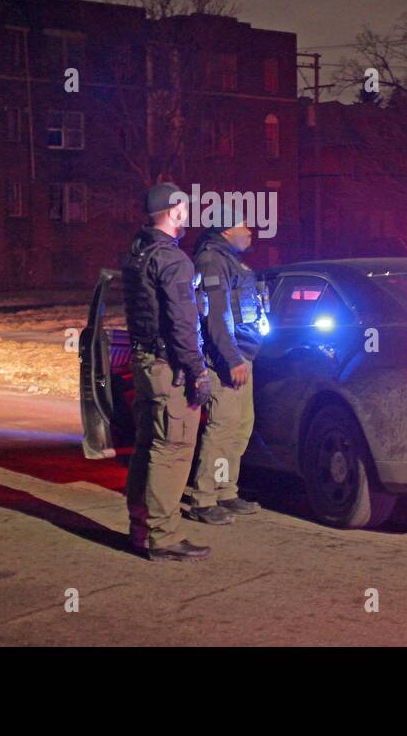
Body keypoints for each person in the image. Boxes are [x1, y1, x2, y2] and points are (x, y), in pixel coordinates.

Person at [122, 183, 212, 562]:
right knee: (172, 450)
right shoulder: (175, 261)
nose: (187, 213)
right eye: (184, 207)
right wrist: (197, 371)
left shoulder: (137, 254)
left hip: (144, 362)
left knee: (147, 447)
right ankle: (164, 535)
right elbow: (181, 323)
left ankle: (142, 529)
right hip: (169, 368)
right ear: (173, 211)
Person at [184, 221, 268, 524]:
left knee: (240, 426)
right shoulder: (211, 261)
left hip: (242, 356)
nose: (249, 232)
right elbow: (216, 316)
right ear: (225, 230)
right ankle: (204, 498)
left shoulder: (230, 260)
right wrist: (231, 359)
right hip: (225, 360)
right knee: (223, 429)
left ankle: (225, 490)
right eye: (242, 226)